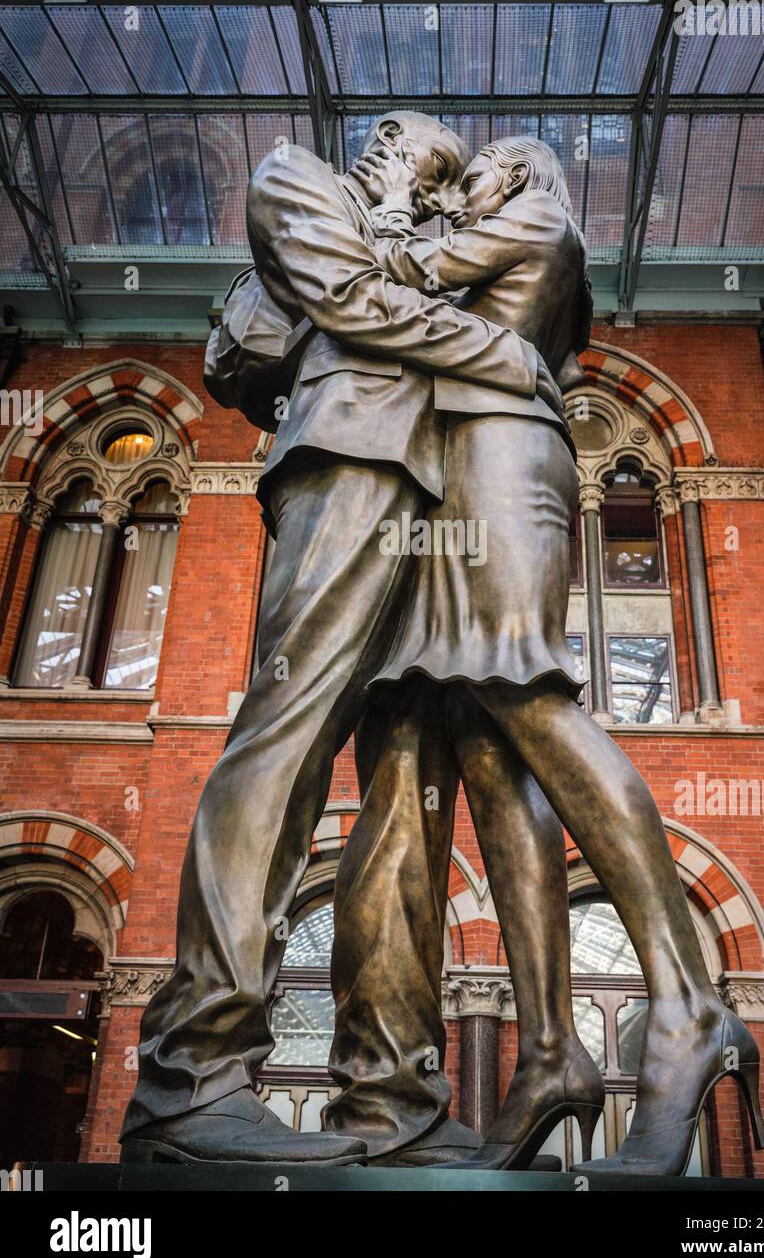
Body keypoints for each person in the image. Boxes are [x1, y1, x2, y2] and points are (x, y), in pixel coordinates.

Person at [119, 112, 558, 1165]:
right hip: (349, 460)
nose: (432, 178)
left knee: (410, 790)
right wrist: (506, 356)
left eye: (450, 172)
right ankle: (193, 1078)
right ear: (382, 142)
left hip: (440, 494)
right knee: (286, 739)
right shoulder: (298, 179)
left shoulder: (427, 243)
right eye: (424, 156)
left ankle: (389, 1101)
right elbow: (352, 304)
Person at [326, 138, 764, 1174]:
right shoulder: (509, 235)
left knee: (528, 698)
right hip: (458, 474)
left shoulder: (535, 221)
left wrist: (394, 203)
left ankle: (686, 1006)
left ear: (520, 174)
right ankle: (549, 1051)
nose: (462, 181)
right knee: (487, 742)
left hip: (500, 463)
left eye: (477, 169)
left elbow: (390, 278)